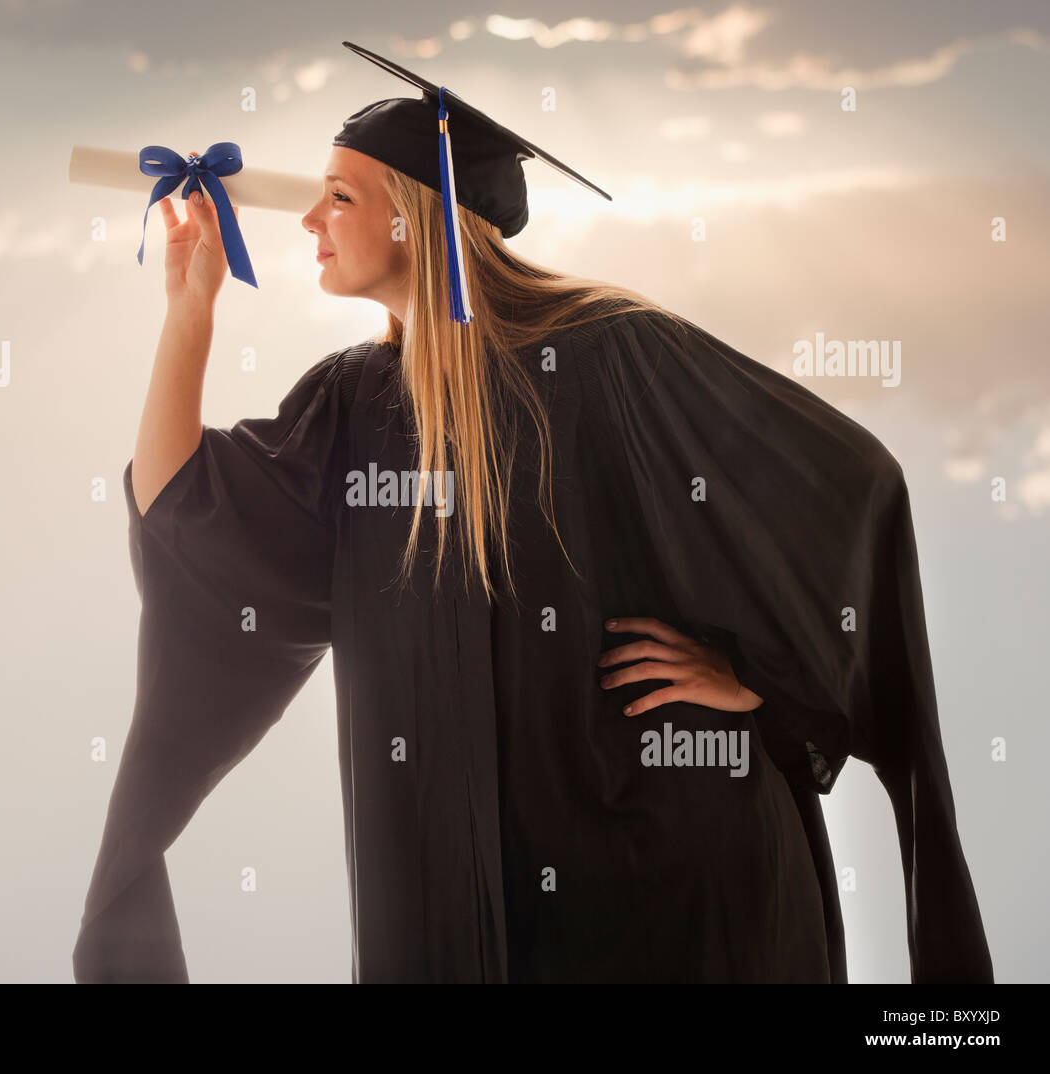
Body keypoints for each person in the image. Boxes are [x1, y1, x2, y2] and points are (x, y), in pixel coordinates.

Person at [72, 44, 993, 984]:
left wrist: (757, 677)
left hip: (671, 879)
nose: (308, 219)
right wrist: (190, 312)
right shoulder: (356, 408)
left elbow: (848, 486)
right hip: (454, 895)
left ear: (412, 218)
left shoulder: (613, 352)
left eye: (340, 196)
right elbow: (183, 509)